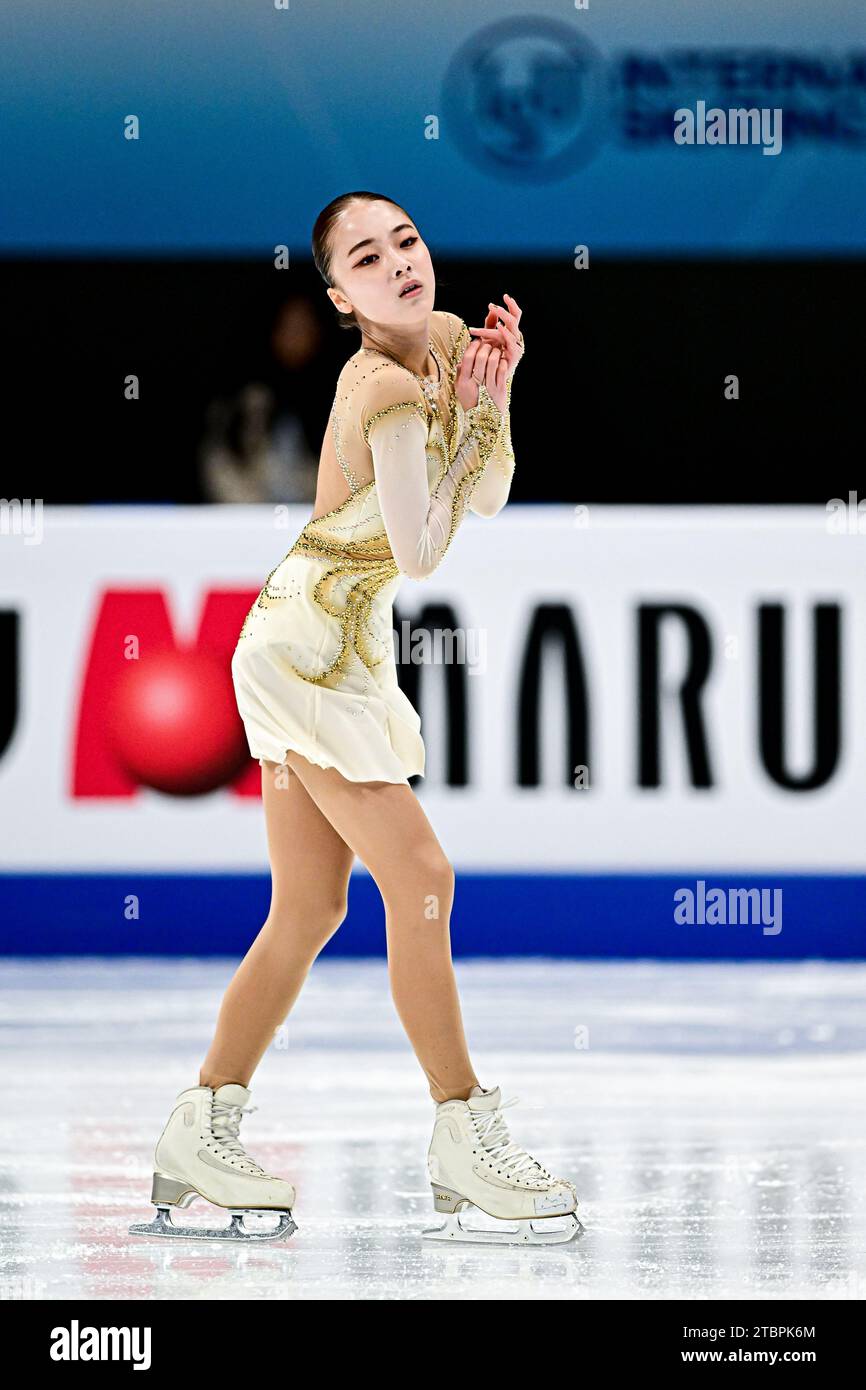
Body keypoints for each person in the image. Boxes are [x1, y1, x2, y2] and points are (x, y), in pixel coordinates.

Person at [129, 191, 579, 1246]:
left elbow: (491, 494)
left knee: (308, 912)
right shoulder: (377, 381)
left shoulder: (454, 341)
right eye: (366, 258)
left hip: (338, 646)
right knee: (419, 878)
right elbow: (422, 547)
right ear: (341, 297)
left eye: (407, 240)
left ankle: (202, 1124)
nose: (399, 263)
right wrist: (466, 423)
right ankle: (463, 1131)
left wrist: (492, 398)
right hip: (301, 655)